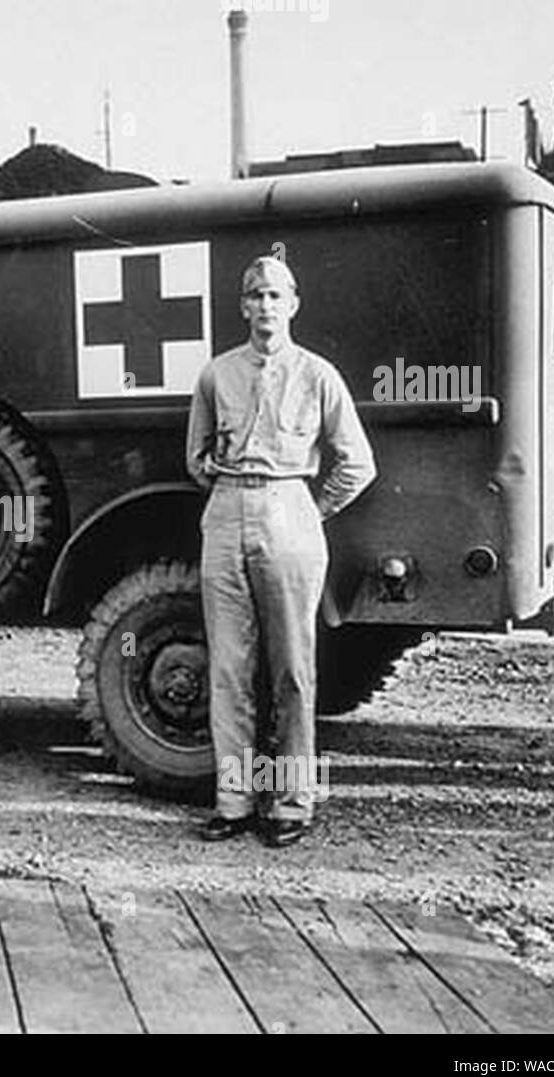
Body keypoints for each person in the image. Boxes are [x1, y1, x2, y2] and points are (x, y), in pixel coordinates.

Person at [186, 256, 376, 847]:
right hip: (224, 514)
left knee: (292, 668)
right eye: (254, 295)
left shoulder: (318, 375)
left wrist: (308, 511)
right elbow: (195, 459)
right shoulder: (216, 375)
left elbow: (358, 463)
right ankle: (235, 800)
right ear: (242, 306)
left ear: (293, 304)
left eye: (275, 295)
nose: (265, 305)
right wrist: (220, 474)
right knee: (228, 667)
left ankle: (292, 803)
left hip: (289, 511)